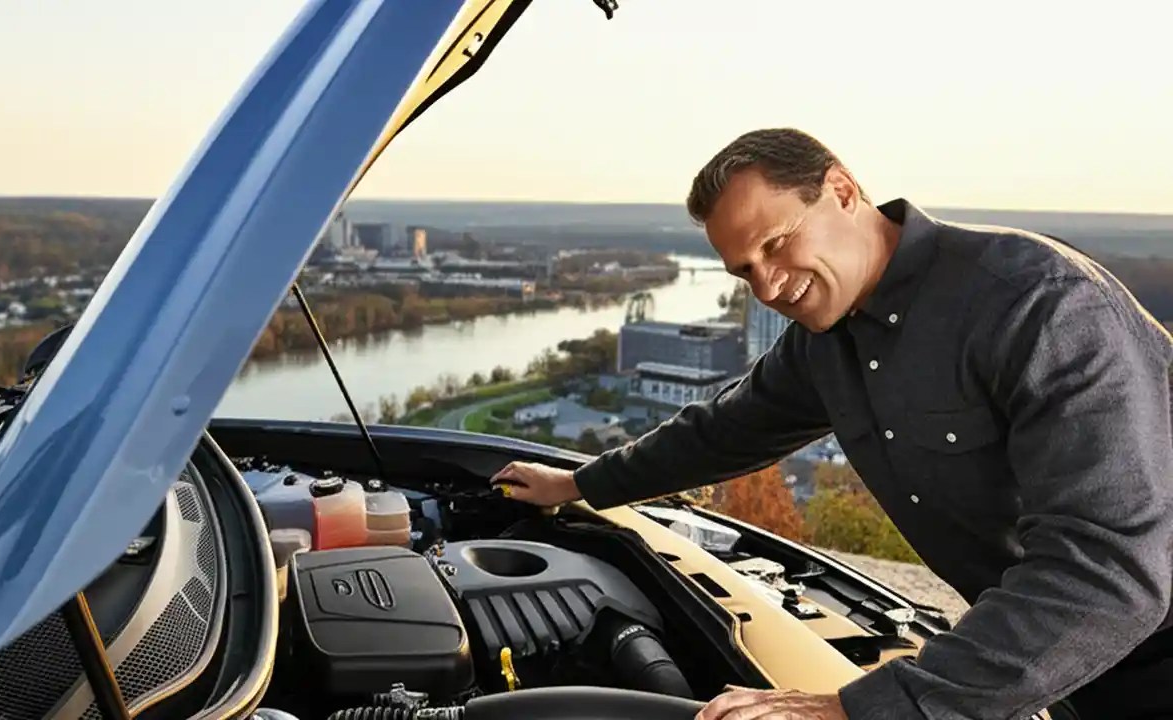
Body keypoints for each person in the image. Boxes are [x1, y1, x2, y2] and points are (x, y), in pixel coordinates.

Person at [490, 128, 1173, 719]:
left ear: (842, 191)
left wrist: (858, 708)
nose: (766, 286)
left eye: (777, 244)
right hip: (1064, 659)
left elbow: (1109, 575)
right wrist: (577, 484)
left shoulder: (1038, 304)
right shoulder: (830, 339)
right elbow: (724, 431)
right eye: (744, 272)